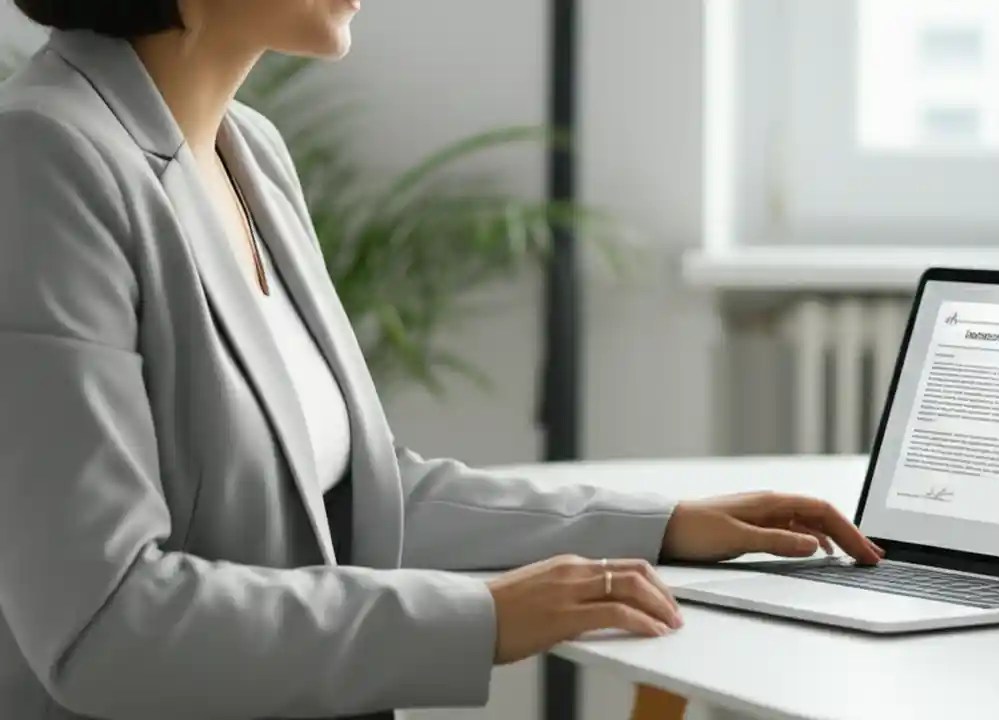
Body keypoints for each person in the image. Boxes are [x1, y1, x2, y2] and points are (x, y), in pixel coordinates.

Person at [0, 2, 884, 718]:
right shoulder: (47, 158)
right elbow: (105, 624)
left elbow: (364, 499)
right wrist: (484, 617)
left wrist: (661, 525)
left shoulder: (248, 150)